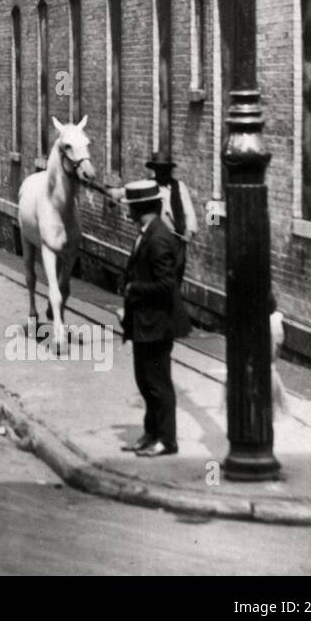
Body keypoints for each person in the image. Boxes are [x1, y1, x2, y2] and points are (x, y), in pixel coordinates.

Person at [118, 180, 190, 458]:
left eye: (130, 207)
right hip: (145, 322)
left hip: (158, 324)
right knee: (145, 382)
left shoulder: (159, 237)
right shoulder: (149, 231)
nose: (128, 212)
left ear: (140, 208)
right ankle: (151, 433)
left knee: (159, 384)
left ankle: (167, 440)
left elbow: (166, 285)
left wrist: (133, 289)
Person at [146, 151, 197, 294]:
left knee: (176, 274)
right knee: (159, 276)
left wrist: (189, 231)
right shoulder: (149, 187)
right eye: (159, 169)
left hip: (177, 240)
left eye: (165, 169)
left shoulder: (179, 187)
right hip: (157, 240)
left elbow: (189, 211)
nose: (162, 173)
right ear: (154, 170)